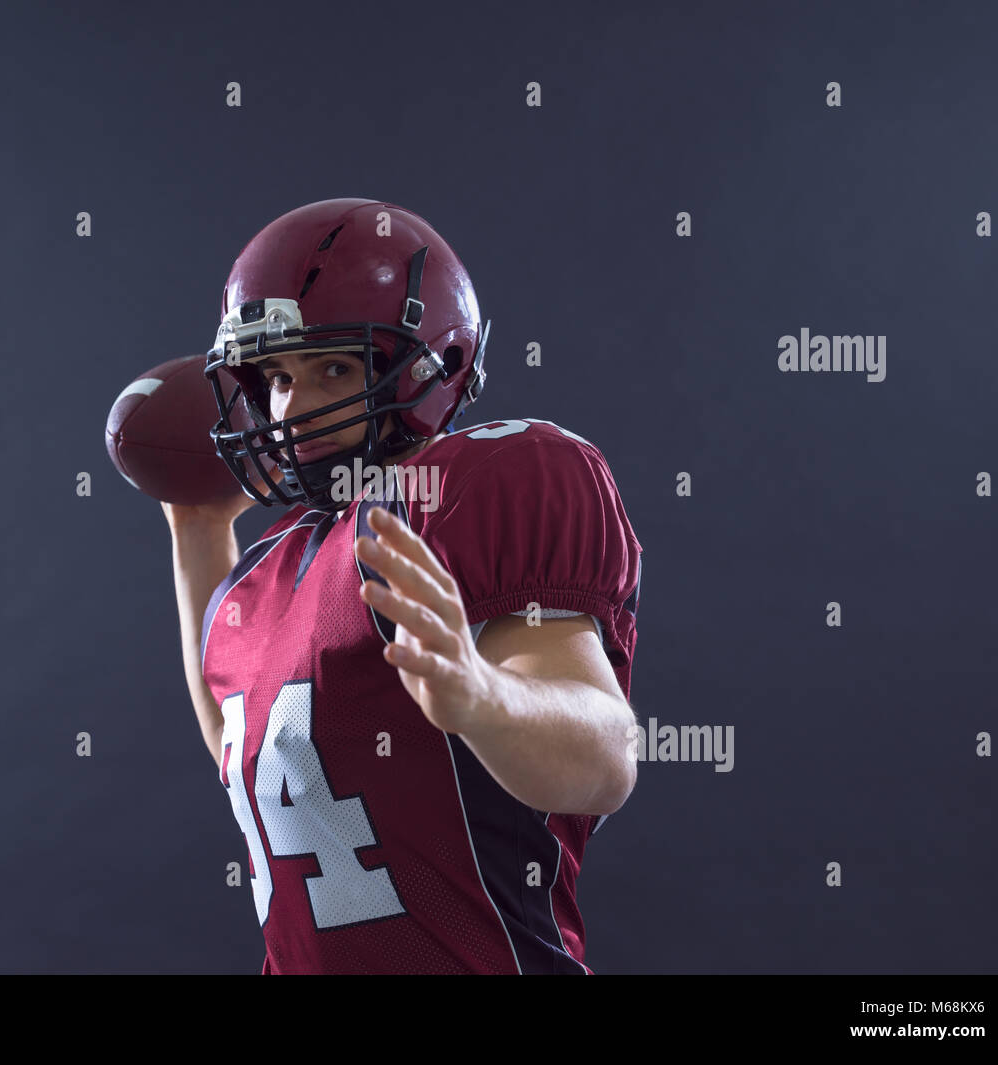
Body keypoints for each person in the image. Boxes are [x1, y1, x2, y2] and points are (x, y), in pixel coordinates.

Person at [164, 198, 643, 974]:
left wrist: (483, 695)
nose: (293, 406)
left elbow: (607, 754)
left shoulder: (474, 490)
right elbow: (249, 751)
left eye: (332, 367)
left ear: (430, 366)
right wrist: (197, 534)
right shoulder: (273, 563)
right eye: (278, 375)